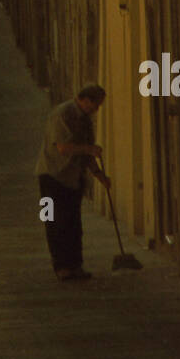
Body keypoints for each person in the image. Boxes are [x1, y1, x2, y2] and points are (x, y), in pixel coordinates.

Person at [35, 83, 111, 281]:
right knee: (53, 221)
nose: (96, 110)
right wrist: (89, 149)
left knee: (73, 223)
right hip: (52, 176)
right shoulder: (62, 114)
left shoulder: (85, 120)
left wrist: (99, 175)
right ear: (85, 100)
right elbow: (63, 148)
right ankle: (61, 266)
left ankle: (75, 265)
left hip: (72, 178)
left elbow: (86, 153)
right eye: (95, 106)